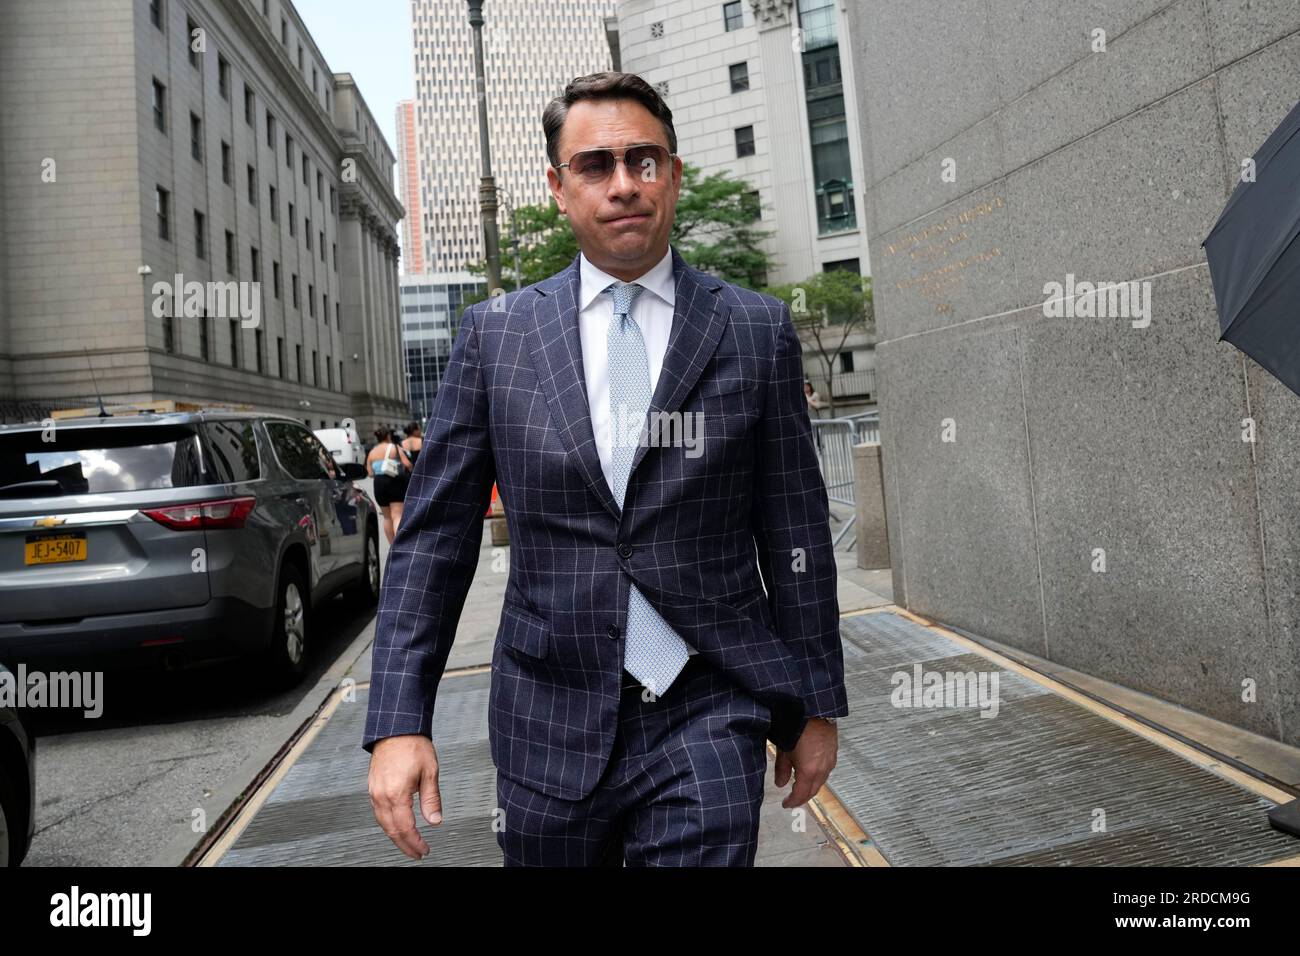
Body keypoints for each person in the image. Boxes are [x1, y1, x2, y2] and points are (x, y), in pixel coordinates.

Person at [364, 71, 846, 867]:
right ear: (558, 187)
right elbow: (433, 543)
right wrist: (398, 719)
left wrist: (815, 704)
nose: (624, 184)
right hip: (545, 720)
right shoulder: (497, 337)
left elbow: (795, 527)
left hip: (710, 708)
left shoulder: (755, 332)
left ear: (674, 173)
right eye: (596, 166)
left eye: (644, 160)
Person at [365, 426, 412, 544]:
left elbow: (370, 473)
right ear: (388, 436)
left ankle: (392, 546)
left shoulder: (372, 452)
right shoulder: (394, 448)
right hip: (394, 482)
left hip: (379, 484)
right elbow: (407, 464)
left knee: (386, 517)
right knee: (397, 515)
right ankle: (401, 544)